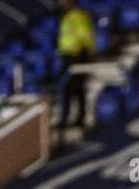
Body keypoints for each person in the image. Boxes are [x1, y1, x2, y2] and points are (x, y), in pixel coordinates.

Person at [55, 0, 95, 130]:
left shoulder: (78, 16)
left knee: (74, 88)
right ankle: (69, 119)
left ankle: (75, 119)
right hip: (66, 55)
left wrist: (88, 54)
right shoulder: (66, 16)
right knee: (69, 89)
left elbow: (86, 35)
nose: (62, 3)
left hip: (77, 55)